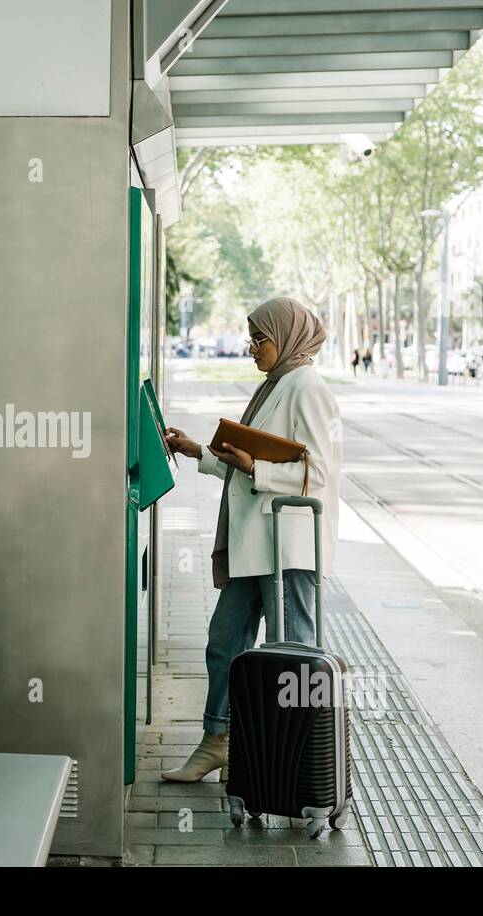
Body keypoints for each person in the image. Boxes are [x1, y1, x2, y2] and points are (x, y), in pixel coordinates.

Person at [162, 298, 342, 782]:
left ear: (285, 338)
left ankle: (296, 754)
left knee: (292, 650)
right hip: (254, 542)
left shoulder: (307, 388)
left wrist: (255, 468)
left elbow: (318, 472)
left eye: (259, 338)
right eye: (251, 338)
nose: (251, 348)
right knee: (225, 641)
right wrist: (197, 450)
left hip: (288, 547)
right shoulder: (275, 385)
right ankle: (217, 741)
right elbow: (249, 463)